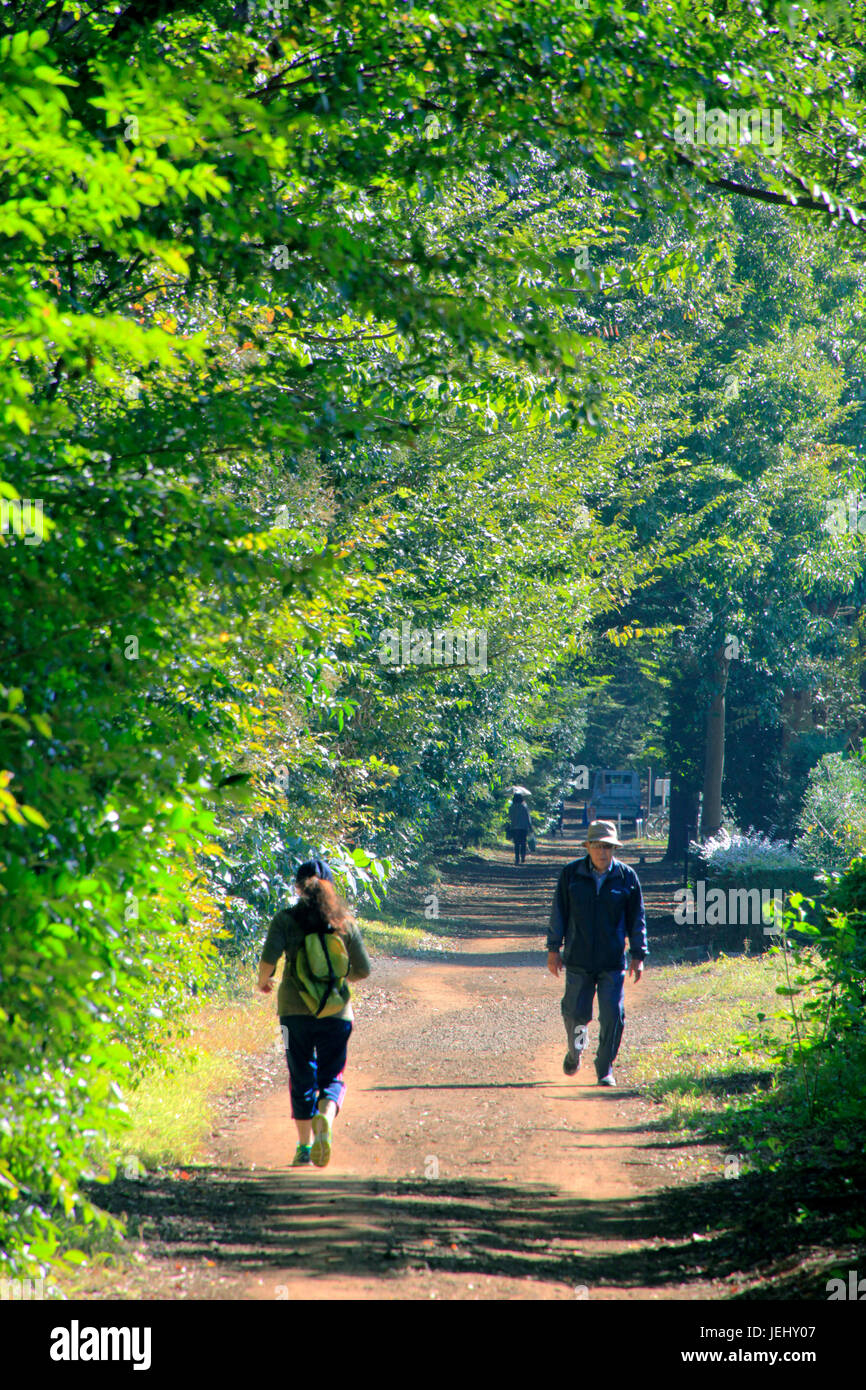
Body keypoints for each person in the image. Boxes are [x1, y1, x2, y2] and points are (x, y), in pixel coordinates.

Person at [257, 858, 371, 1167]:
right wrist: (335, 977)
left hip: (292, 1014)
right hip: (336, 1013)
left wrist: (263, 981)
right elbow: (363, 970)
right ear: (330, 886)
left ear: (298, 887)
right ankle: (326, 1117)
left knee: (300, 1074)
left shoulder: (285, 919)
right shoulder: (345, 922)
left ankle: (304, 1148)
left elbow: (268, 961)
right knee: (332, 1074)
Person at [546, 820, 648, 1087]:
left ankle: (605, 1067)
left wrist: (638, 954)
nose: (603, 852)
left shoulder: (627, 877)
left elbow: (637, 918)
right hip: (578, 959)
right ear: (588, 847)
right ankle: (576, 1051)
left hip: (612, 961)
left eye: (608, 847)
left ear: (614, 849)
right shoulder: (571, 875)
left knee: (613, 1015)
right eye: (598, 846)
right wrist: (553, 949)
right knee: (576, 1015)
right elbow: (559, 913)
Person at [509, 792, 532, 865]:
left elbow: (510, 817)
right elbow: (528, 818)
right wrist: (530, 827)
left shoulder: (511, 807)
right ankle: (523, 857)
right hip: (523, 827)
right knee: (523, 843)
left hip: (514, 827)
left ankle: (517, 858)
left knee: (516, 843)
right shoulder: (524, 807)